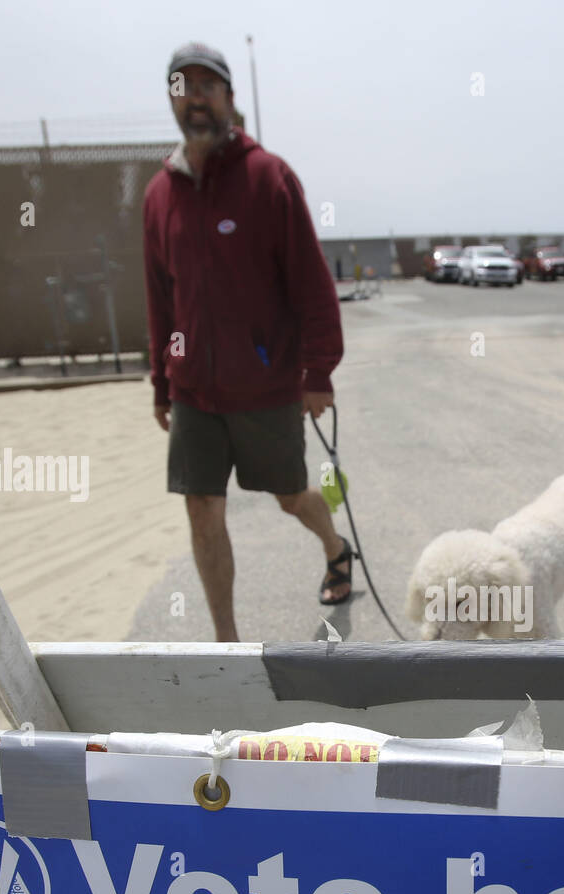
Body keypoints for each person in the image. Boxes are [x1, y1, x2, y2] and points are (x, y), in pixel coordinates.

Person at [143, 41, 352, 641]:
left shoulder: (268, 178)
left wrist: (317, 372)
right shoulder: (160, 195)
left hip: (264, 384)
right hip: (193, 394)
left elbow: (312, 281)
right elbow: (161, 296)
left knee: (290, 496)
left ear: (230, 99)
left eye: (208, 86)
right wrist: (162, 380)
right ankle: (227, 643)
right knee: (201, 506)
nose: (195, 98)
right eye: (183, 87)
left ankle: (336, 549)